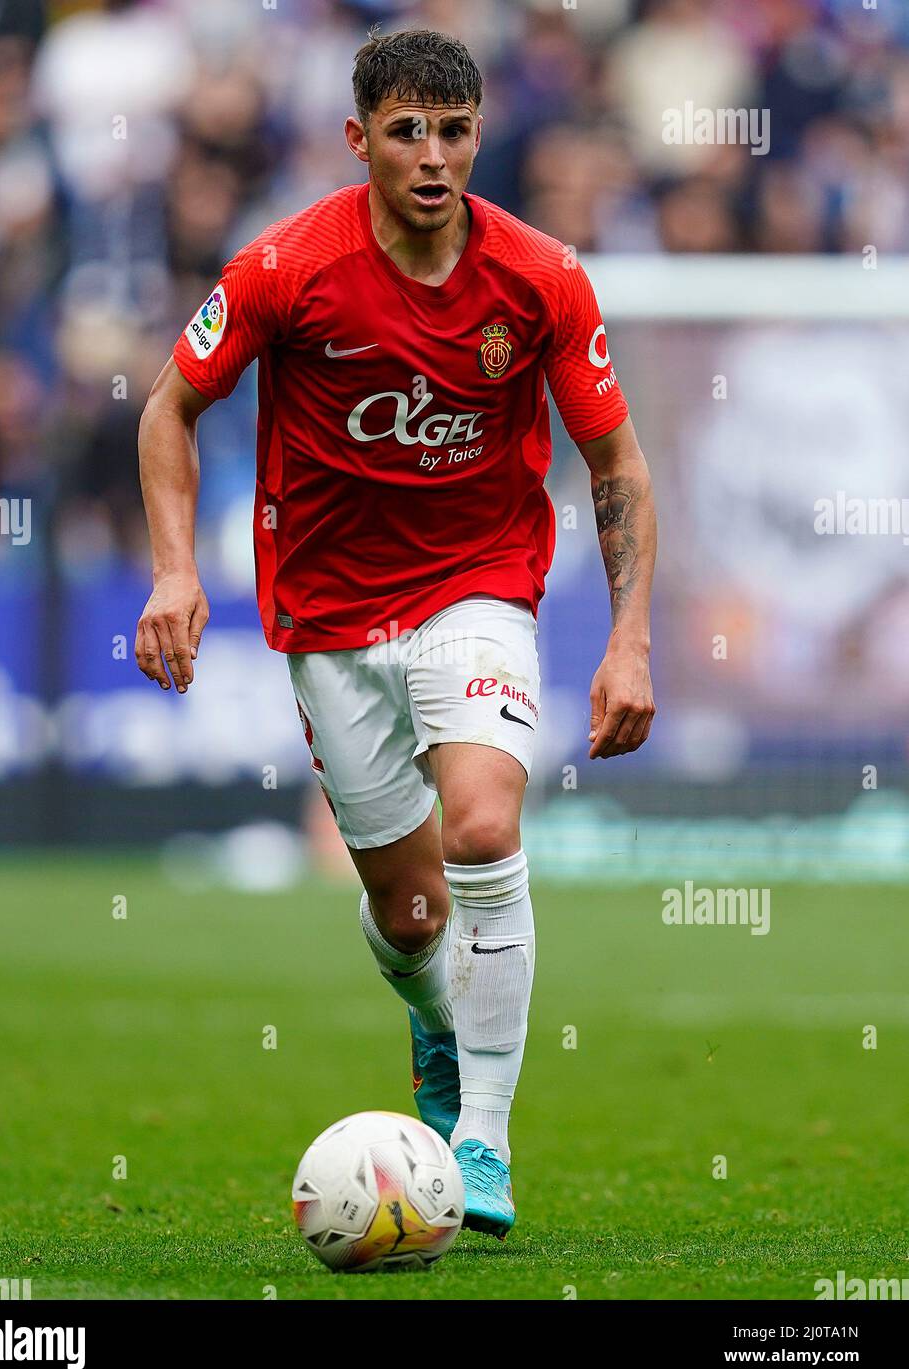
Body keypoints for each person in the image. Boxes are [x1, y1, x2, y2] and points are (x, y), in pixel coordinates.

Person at [136, 27, 657, 1239]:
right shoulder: (284, 267)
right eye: (408, 131)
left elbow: (616, 465)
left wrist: (628, 642)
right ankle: (436, 1016)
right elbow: (169, 409)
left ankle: (483, 1136)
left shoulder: (540, 278)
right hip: (327, 615)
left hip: (479, 586)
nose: (434, 157)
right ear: (358, 138)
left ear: (480, 135)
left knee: (483, 820)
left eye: (456, 130)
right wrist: (174, 570)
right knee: (414, 919)